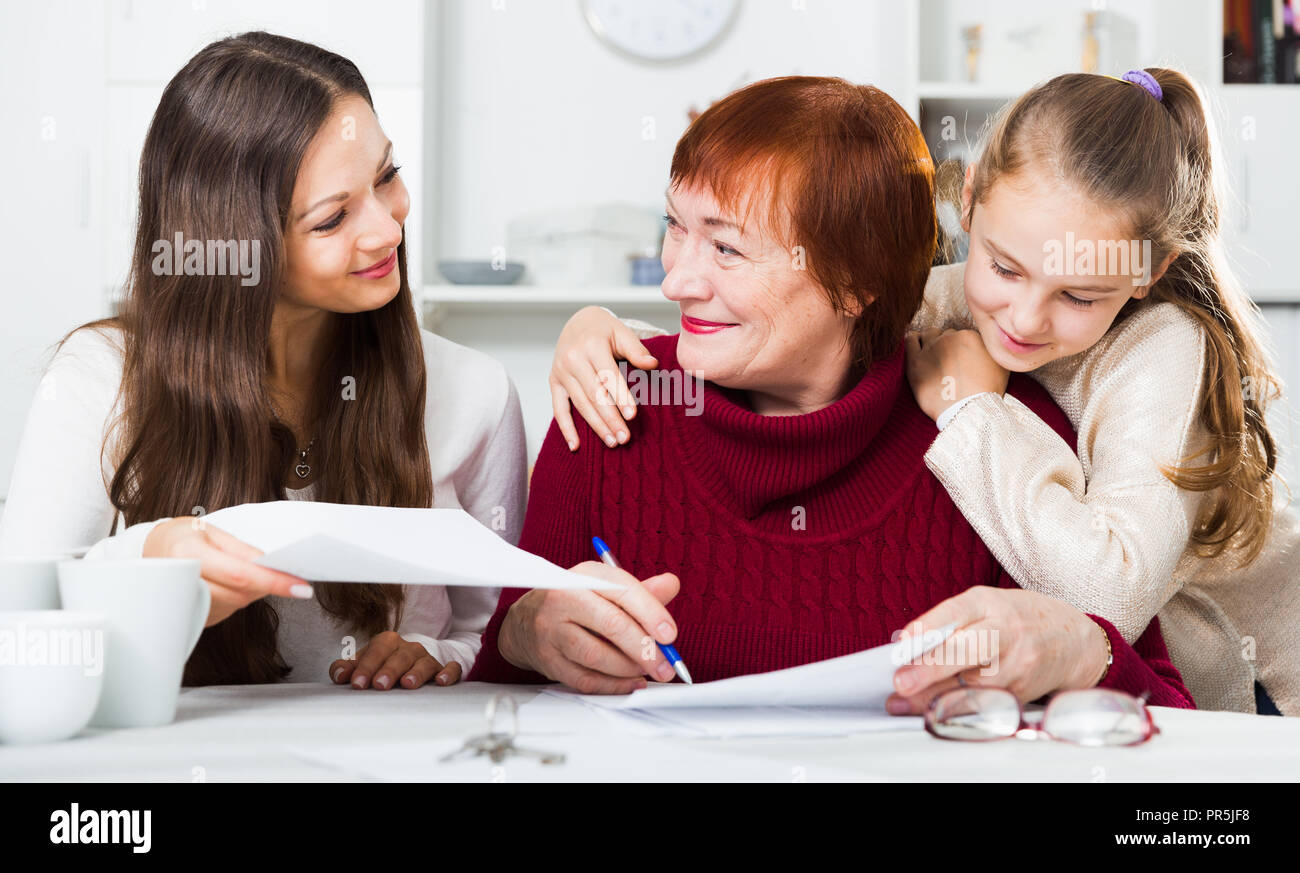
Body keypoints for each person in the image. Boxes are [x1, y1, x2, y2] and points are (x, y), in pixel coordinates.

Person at [547, 69, 1299, 716]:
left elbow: (1113, 601)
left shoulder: (1163, 349)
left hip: (1246, 663)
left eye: (1079, 294)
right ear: (967, 205)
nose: (1025, 319)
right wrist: (601, 328)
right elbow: (788, 307)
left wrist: (971, 410)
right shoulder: (940, 299)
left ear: (1149, 270)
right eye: (1003, 269)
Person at [0, 32, 526, 690]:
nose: (390, 228)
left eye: (387, 176)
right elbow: (15, 631)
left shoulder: (474, 394)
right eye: (333, 219)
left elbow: (503, 632)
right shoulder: (99, 380)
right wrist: (146, 564)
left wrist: (436, 653)